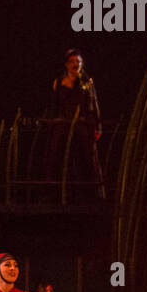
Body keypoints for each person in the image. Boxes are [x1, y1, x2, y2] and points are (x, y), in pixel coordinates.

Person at [46, 49, 104, 193]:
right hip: (63, 123)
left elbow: (94, 105)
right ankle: (53, 191)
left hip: (82, 123)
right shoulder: (59, 82)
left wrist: (97, 126)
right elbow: (54, 106)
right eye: (72, 62)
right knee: (56, 154)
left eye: (78, 61)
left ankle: (92, 192)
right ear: (66, 64)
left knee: (88, 157)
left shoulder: (87, 82)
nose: (75, 64)